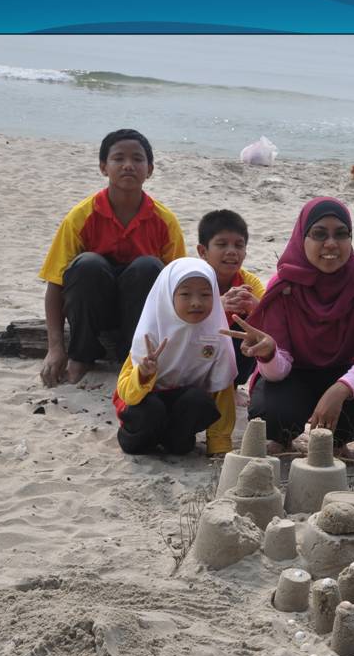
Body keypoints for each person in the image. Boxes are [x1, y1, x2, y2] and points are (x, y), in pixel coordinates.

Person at [225, 197, 354, 451]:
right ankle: (283, 439)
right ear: (302, 238)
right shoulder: (284, 285)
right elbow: (278, 371)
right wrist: (270, 353)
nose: (331, 244)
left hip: (343, 369)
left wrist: (341, 389)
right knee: (268, 413)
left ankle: (337, 441)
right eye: (319, 234)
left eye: (341, 234)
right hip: (293, 374)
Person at [38, 129, 186, 388]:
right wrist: (55, 348)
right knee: (88, 266)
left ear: (149, 169)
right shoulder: (81, 216)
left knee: (149, 267)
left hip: (140, 316)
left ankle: (132, 355)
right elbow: (55, 284)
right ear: (103, 167)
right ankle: (82, 355)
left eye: (137, 159)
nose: (128, 165)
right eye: (119, 158)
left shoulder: (164, 221)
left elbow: (179, 289)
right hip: (94, 310)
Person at [113, 257, 237, 455]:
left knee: (198, 401)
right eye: (185, 294)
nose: (196, 303)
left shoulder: (217, 335)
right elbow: (126, 392)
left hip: (182, 403)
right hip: (146, 404)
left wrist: (219, 444)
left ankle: (175, 441)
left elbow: (222, 390)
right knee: (152, 409)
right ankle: (138, 441)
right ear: (169, 295)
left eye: (205, 295)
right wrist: (142, 374)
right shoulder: (151, 333)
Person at [196, 209, 265, 386]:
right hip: (194, 356)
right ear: (203, 251)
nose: (232, 251)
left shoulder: (250, 282)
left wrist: (253, 305)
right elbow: (175, 318)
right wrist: (217, 306)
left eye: (239, 245)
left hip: (233, 359)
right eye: (222, 244)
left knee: (251, 318)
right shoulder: (192, 279)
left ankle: (231, 385)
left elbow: (273, 319)